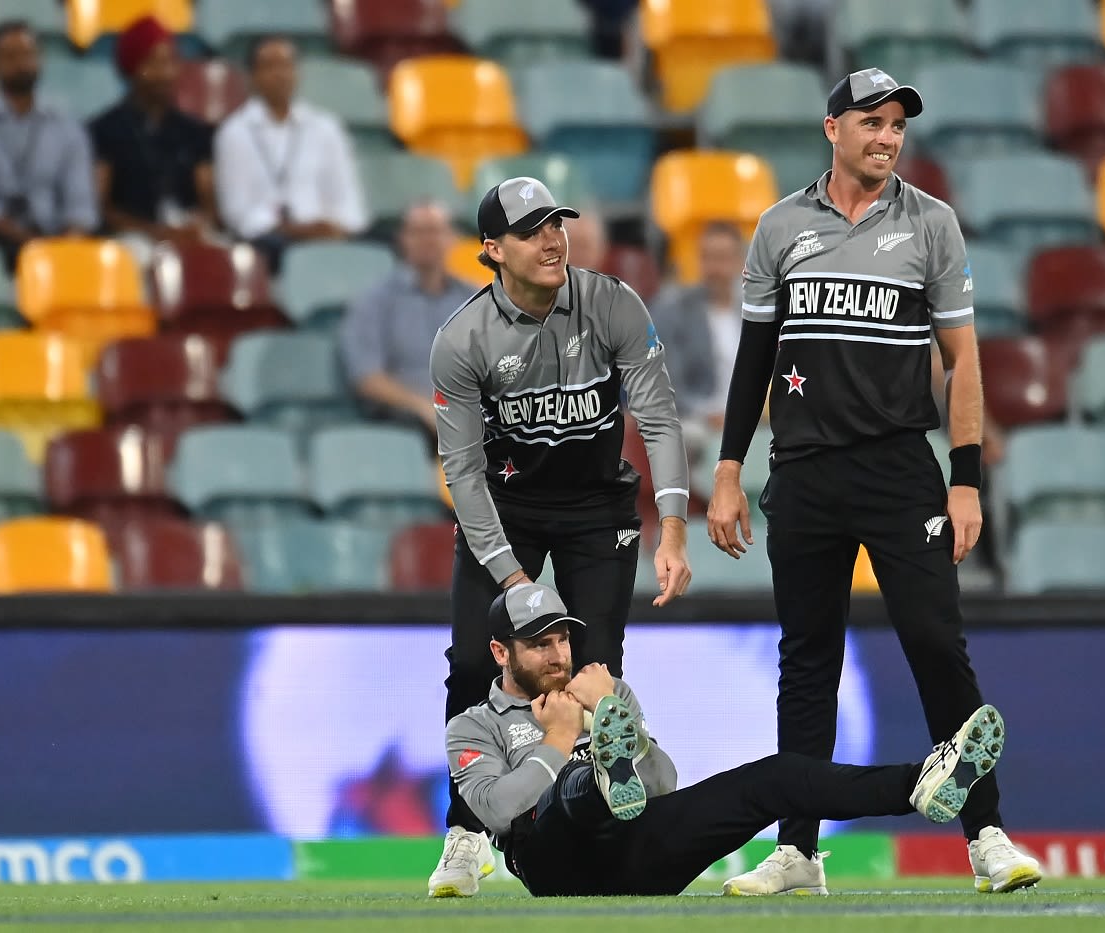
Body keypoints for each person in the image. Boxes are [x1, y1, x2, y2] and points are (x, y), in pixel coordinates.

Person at [707, 68, 1043, 896]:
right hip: (805, 469)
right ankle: (797, 850)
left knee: (936, 646)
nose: (888, 138)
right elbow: (754, 360)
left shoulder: (933, 224)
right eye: (872, 122)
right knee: (807, 660)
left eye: (897, 125)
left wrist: (964, 477)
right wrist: (725, 472)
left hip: (900, 468)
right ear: (832, 129)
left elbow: (963, 361)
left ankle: (988, 832)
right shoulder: (780, 226)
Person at [427, 176, 692, 896]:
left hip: (598, 510)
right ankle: (465, 832)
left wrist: (671, 526)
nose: (553, 239)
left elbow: (660, 420)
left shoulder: (613, 303)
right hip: (505, 510)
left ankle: (601, 826)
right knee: (471, 663)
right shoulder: (462, 339)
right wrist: (513, 579)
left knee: (595, 668)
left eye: (558, 224)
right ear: (491, 249)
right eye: (531, 229)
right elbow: (464, 472)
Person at [438, 582, 1008, 897]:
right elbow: (493, 810)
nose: (559, 655)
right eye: (540, 644)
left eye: (563, 639)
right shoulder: (473, 725)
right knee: (574, 793)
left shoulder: (601, 694)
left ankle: (921, 784)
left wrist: (619, 720)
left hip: (640, 856)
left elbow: (662, 783)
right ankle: (597, 777)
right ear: (500, 653)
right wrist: (560, 741)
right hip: (554, 864)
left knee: (778, 776)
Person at [213, 35, 366, 270]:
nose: (280, 74)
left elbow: (347, 198)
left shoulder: (326, 127)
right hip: (272, 240)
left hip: (326, 235)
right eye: (269, 67)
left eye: (286, 65)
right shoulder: (234, 133)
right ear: (252, 77)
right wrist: (292, 230)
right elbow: (237, 213)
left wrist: (335, 228)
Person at [340, 201, 477, 439]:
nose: (428, 240)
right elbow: (367, 377)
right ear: (403, 239)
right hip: (408, 418)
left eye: (436, 231)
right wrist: (423, 407)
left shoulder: (474, 300)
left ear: (452, 238)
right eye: (418, 232)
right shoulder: (375, 301)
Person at [0, 20, 97, 269]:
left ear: (40, 58)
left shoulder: (67, 128)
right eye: (9, 56)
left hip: (56, 243)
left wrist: (63, 246)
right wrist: (34, 247)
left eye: (27, 54)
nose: (19, 63)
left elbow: (81, 206)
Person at [89, 16, 216, 259]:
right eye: (153, 63)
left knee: (222, 255)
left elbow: (208, 201)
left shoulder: (194, 130)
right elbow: (102, 207)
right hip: (134, 236)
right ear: (132, 68)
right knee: (138, 257)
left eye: (170, 62)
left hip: (186, 231)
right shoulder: (105, 129)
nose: (164, 73)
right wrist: (153, 231)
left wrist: (196, 225)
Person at [649, 221, 748, 469]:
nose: (714, 268)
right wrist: (709, 413)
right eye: (708, 258)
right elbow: (670, 384)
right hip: (698, 421)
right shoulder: (675, 311)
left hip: (752, 421)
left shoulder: (756, 312)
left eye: (722, 258)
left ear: (740, 263)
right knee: (693, 437)